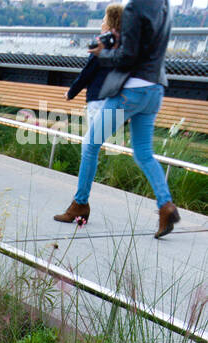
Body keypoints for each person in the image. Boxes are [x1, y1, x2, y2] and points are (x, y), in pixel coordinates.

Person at [54, 0, 179, 238]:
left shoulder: (134, 7)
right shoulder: (164, 6)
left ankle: (80, 204)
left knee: (90, 145)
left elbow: (127, 57)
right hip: (155, 90)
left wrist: (103, 53)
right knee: (143, 152)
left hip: (130, 91)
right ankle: (165, 205)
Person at [65, 3, 123, 129]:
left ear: (109, 24)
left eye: (103, 21)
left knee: (93, 141)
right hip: (119, 100)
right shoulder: (126, 44)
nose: (101, 24)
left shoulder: (101, 43)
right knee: (114, 143)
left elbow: (88, 72)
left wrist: (71, 92)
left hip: (98, 97)